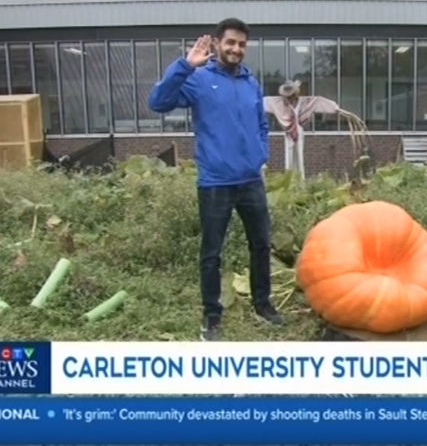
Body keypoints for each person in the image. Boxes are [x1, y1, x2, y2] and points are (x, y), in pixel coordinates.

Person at [148, 18, 283, 341]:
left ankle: (262, 304)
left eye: (241, 44)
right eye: (231, 43)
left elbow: (260, 124)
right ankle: (212, 316)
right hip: (215, 182)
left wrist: (260, 153)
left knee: (261, 245)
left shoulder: (251, 83)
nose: (236, 49)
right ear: (218, 44)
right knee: (212, 252)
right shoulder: (198, 79)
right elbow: (157, 103)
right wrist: (184, 65)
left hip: (251, 180)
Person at [264, 81, 349, 180]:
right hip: (288, 131)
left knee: (299, 155)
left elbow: (318, 101)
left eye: (291, 96)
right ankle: (289, 179)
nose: (289, 99)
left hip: (298, 130)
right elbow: (265, 102)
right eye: (287, 97)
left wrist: (336, 108)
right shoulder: (280, 103)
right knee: (289, 154)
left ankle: (300, 180)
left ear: (295, 95)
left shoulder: (305, 102)